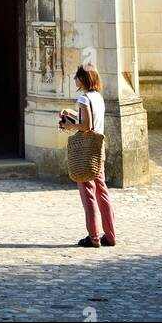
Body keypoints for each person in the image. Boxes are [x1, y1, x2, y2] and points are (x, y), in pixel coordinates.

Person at [61, 63, 117, 249]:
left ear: (84, 79)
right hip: (98, 147)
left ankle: (93, 236)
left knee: (88, 192)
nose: (74, 79)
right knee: (102, 190)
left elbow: (87, 127)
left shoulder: (84, 98)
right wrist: (70, 113)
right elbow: (91, 121)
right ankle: (110, 235)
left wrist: (69, 126)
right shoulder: (98, 98)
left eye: (77, 76)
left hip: (85, 150)